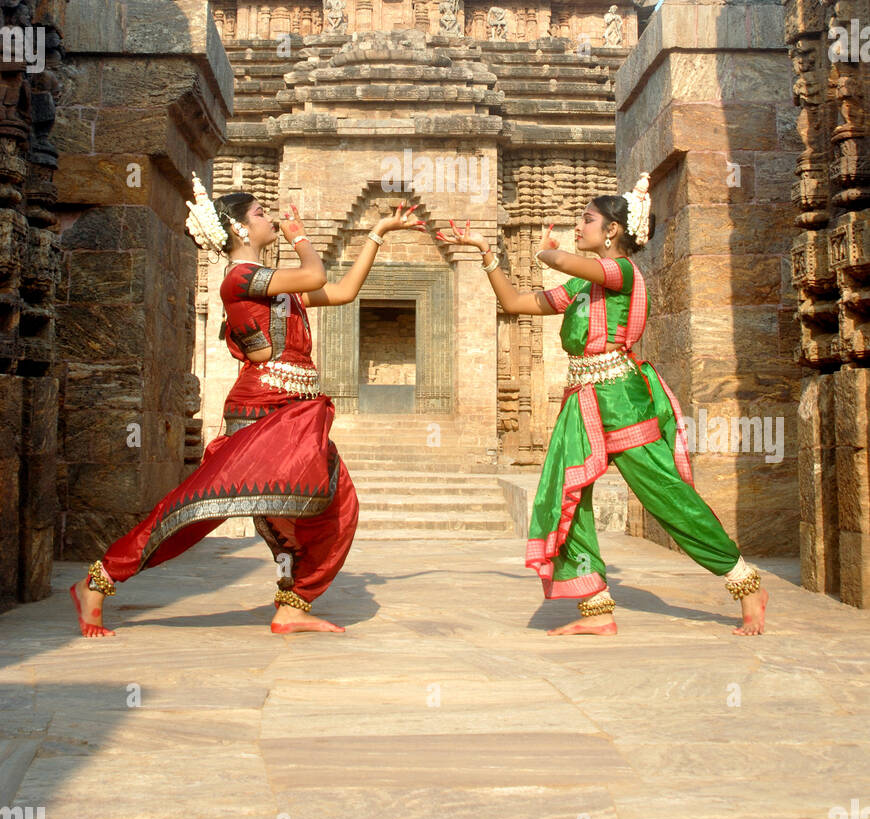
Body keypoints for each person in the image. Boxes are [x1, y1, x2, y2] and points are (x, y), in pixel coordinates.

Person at [69, 177, 427, 638]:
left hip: (296, 408)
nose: (269, 218)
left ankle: (293, 605)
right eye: (260, 213)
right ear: (239, 228)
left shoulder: (275, 285)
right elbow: (316, 275)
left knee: (334, 506)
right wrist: (301, 237)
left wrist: (377, 233)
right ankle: (98, 581)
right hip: (262, 407)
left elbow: (340, 291)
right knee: (202, 504)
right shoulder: (240, 279)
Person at [437, 174, 768, 638]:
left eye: (587, 219)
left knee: (665, 495)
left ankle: (744, 582)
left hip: (622, 399)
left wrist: (546, 251)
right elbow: (514, 301)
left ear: (612, 230)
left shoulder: (623, 273)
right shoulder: (582, 290)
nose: (579, 226)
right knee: (563, 496)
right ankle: (596, 608)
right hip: (582, 401)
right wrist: (485, 253)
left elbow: (562, 260)